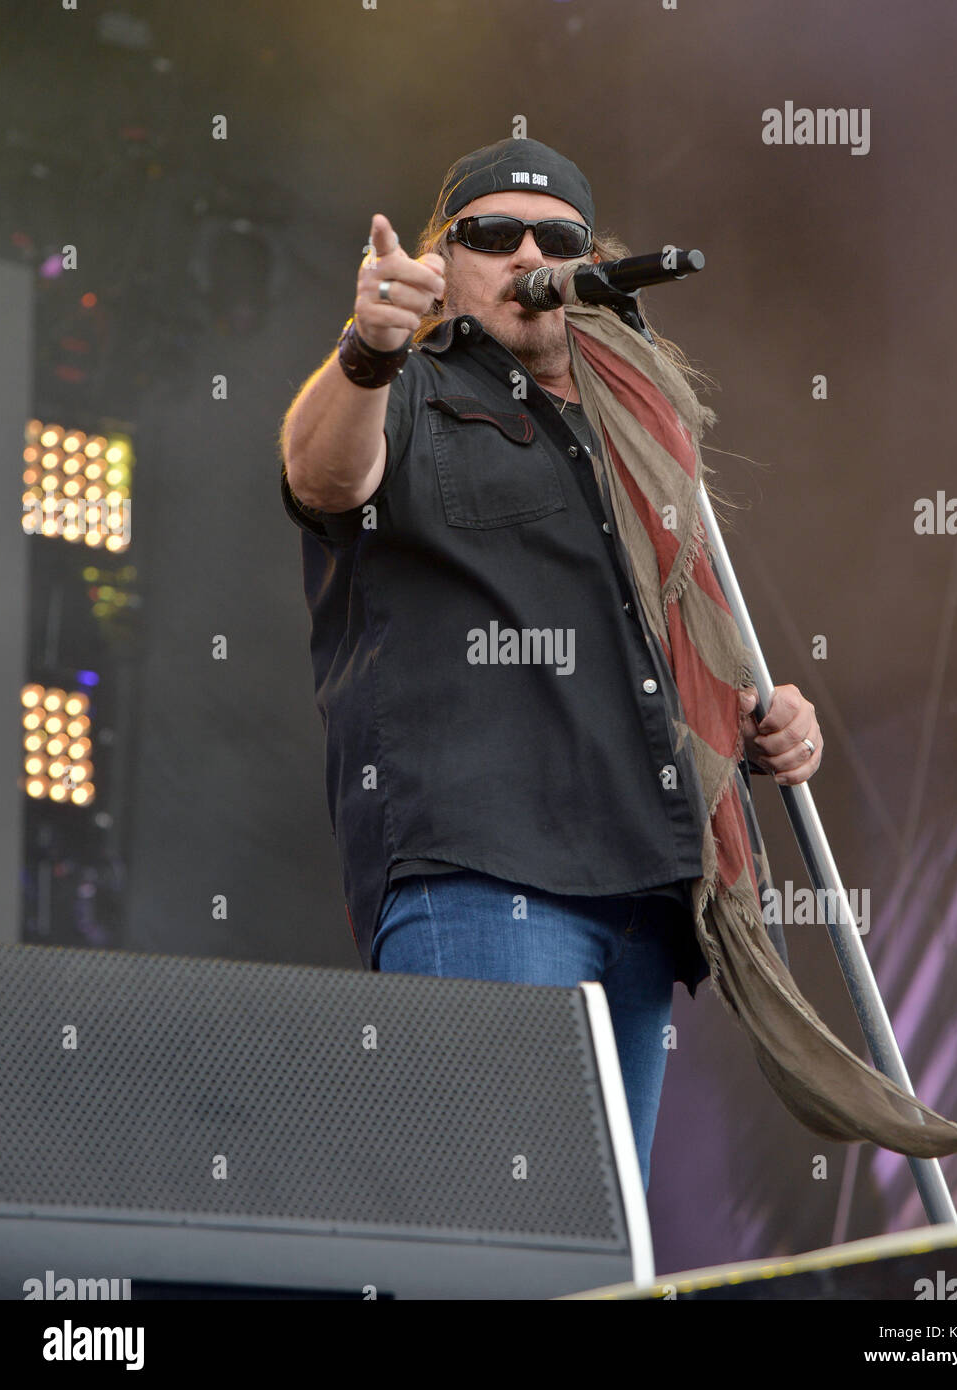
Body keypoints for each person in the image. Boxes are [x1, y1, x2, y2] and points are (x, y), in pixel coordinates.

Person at [279, 138, 822, 1192]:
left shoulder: (638, 442)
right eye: (493, 234)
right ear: (446, 263)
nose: (528, 252)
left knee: (594, 1248)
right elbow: (321, 476)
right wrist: (364, 351)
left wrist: (761, 717)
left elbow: (671, 649)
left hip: (645, 893)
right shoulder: (410, 388)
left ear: (590, 265)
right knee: (496, 1228)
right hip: (488, 874)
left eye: (558, 239)